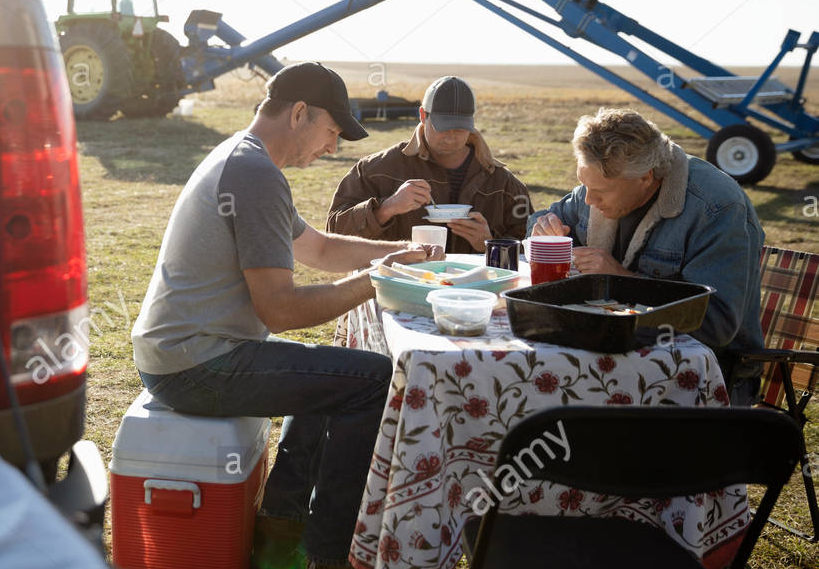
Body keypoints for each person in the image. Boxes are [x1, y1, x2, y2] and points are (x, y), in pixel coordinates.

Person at [131, 62, 436, 569]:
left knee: (334, 373)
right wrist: (377, 281)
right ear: (300, 113)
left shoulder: (246, 159)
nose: (332, 147)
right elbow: (281, 310)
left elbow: (317, 248)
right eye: (331, 133)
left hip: (184, 353)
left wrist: (398, 255)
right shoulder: (254, 175)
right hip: (195, 366)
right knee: (368, 381)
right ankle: (330, 560)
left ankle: (282, 525)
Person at [530, 108, 765, 404]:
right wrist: (542, 227)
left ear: (645, 178)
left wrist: (622, 281)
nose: (589, 200)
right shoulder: (602, 183)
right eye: (583, 185)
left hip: (699, 378)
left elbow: (716, 325)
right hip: (611, 356)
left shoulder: (717, 208)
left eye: (599, 191)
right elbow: (541, 218)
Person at [326, 75, 532, 254]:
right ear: (423, 115)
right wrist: (385, 209)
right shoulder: (376, 171)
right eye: (443, 127)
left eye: (460, 129)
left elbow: (532, 248)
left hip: (475, 296)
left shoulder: (505, 184)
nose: (451, 137)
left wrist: (489, 244)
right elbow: (333, 236)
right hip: (400, 291)